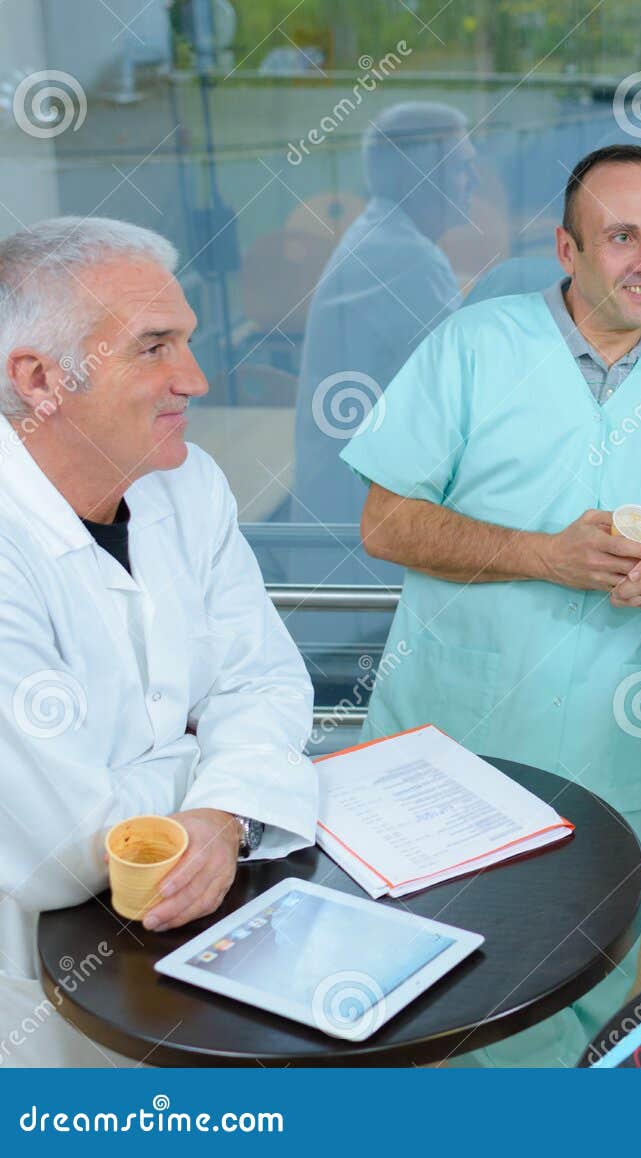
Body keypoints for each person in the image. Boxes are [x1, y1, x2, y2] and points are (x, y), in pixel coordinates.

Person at [339, 144, 641, 1067]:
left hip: (606, 737)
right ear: (568, 250)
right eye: (621, 237)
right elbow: (384, 523)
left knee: (582, 985)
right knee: (434, 989)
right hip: (454, 732)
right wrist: (545, 557)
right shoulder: (473, 347)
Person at [0, 217, 318, 1067]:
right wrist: (227, 771)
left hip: (191, 945)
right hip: (32, 998)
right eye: (154, 347)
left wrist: (214, 813)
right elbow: (65, 850)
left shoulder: (188, 485)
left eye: (188, 340)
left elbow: (268, 687)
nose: (196, 376)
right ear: (40, 379)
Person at [293, 102, 477, 538]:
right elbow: (471, 385)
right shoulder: (406, 257)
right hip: (362, 521)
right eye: (463, 169)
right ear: (424, 178)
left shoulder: (387, 236)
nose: (476, 183)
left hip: (359, 497)